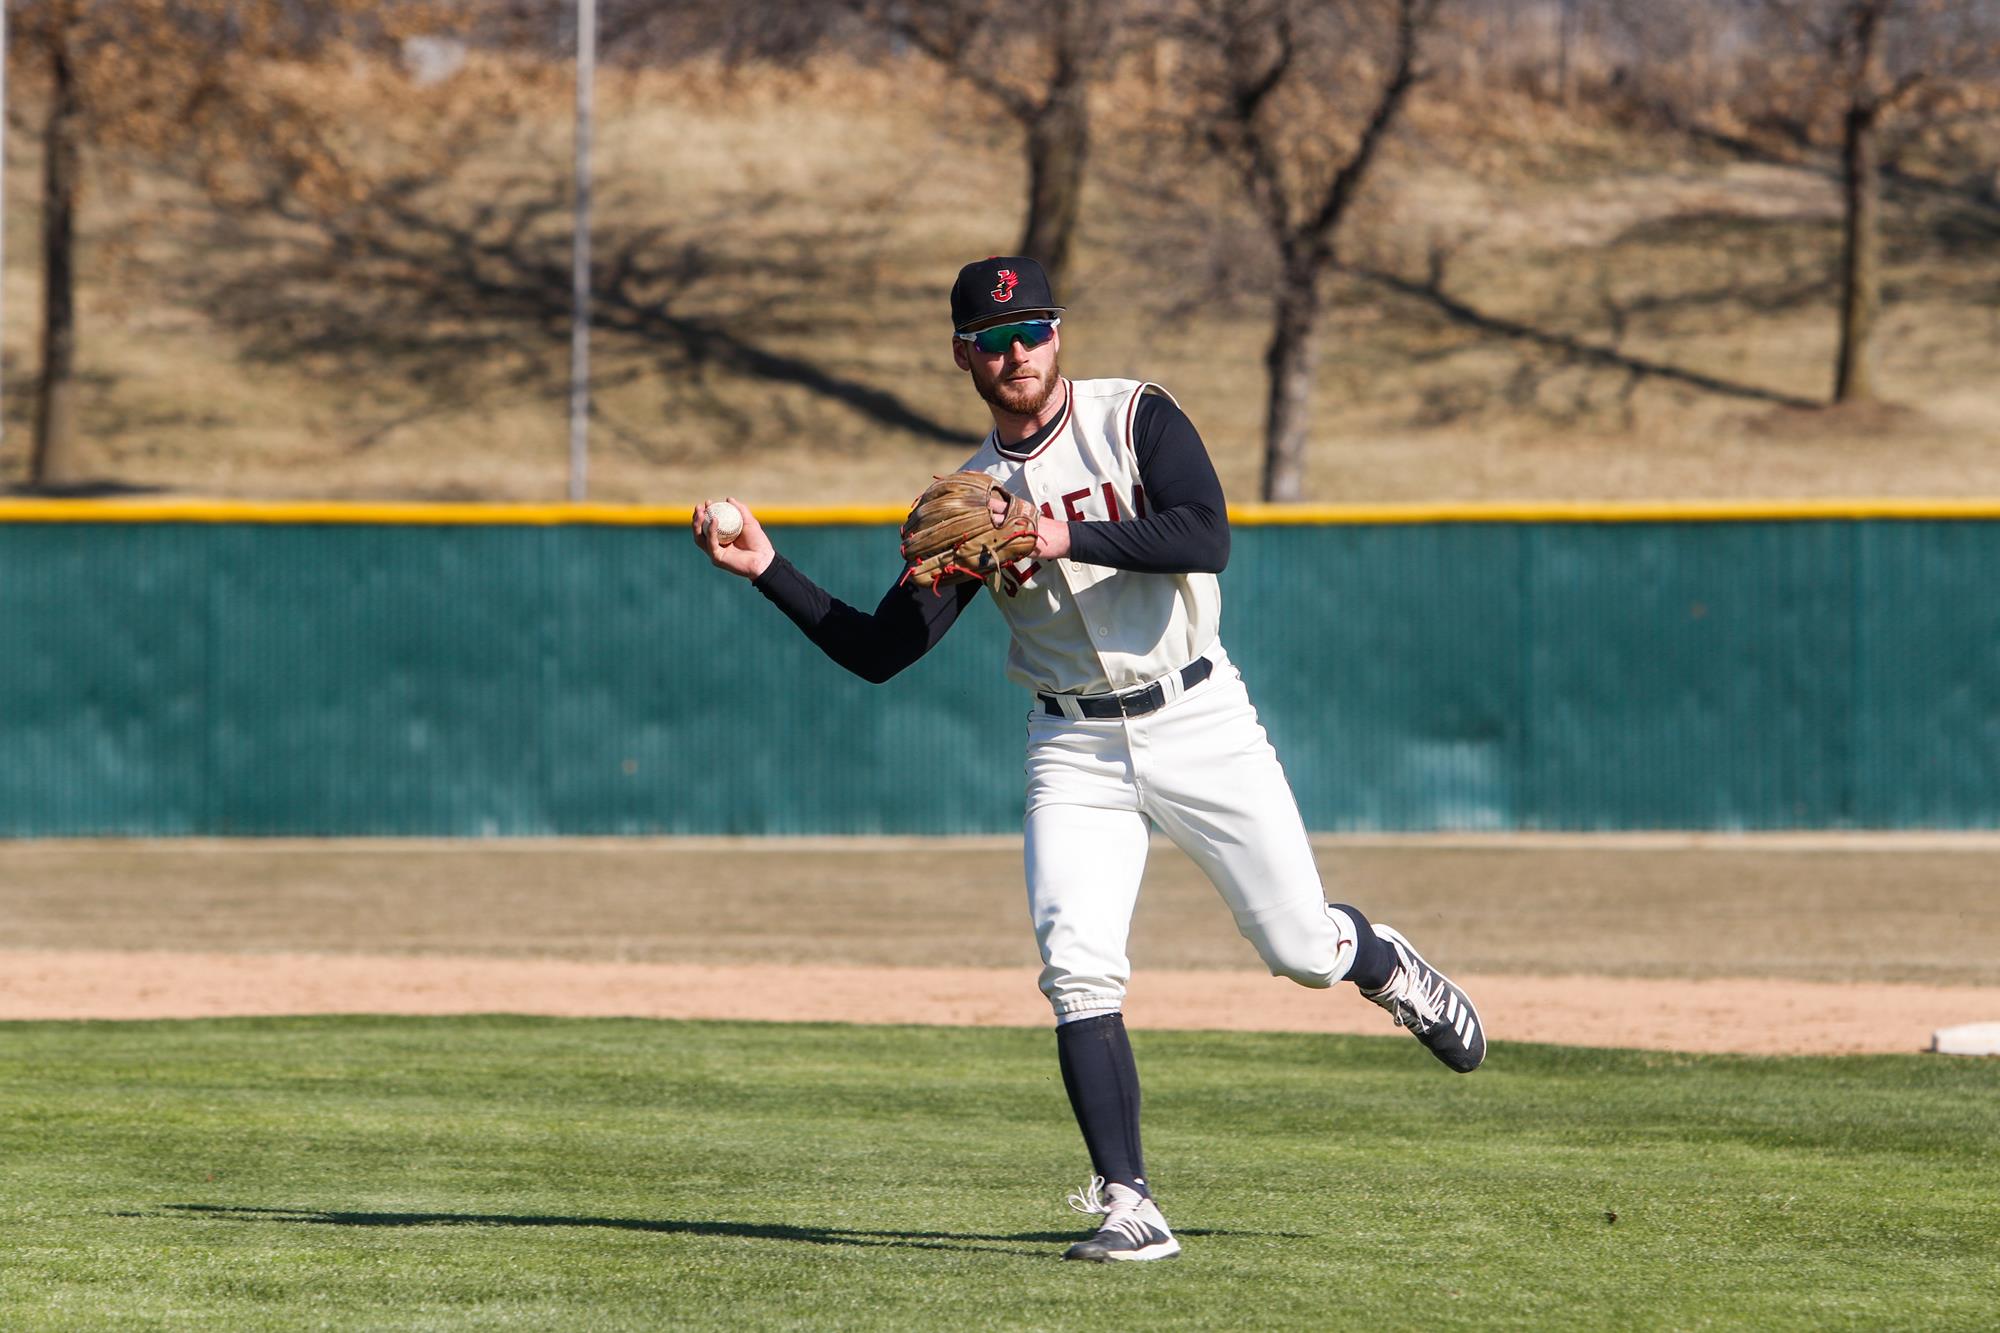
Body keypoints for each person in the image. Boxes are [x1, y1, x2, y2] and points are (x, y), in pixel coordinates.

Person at [691, 256, 1484, 1264]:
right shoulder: (969, 503)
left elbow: (1205, 533)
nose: (1016, 351)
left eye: (1032, 330)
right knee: (1076, 965)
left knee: (1299, 950)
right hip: (1072, 745)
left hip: (1198, 716)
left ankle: (1377, 958)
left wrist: (1058, 531)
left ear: (1058, 334)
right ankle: (1129, 1203)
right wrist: (767, 567)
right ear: (962, 358)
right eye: (992, 340)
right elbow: (880, 651)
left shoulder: (1136, 416)